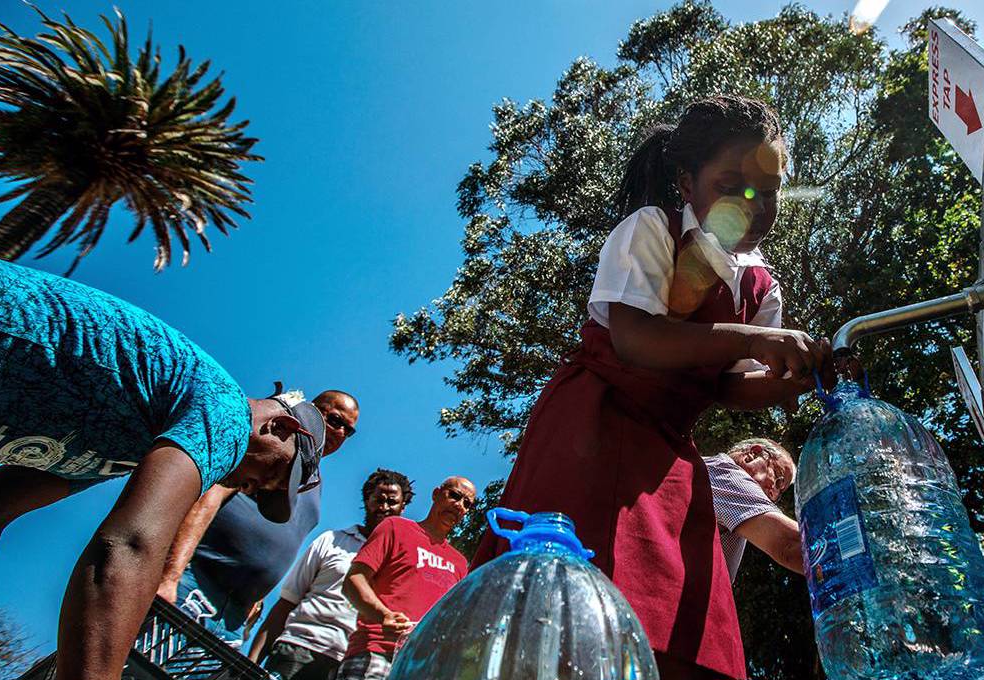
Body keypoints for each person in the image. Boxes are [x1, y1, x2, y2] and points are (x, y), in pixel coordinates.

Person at [471, 94, 830, 680]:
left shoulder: (762, 286)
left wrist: (805, 375)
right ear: (686, 183)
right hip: (592, 425)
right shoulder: (650, 230)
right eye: (730, 183)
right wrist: (752, 340)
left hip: (668, 452)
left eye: (768, 189)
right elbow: (637, 339)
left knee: (679, 612)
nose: (753, 204)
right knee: (565, 599)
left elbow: (732, 389)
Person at [0, 259, 317, 680]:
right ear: (278, 427)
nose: (253, 490)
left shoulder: (124, 437)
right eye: (271, 478)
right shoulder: (228, 412)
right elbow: (128, 547)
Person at [156, 389, 360, 646]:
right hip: (192, 584)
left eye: (348, 430)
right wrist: (169, 576)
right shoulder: (272, 445)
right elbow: (207, 500)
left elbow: (282, 545)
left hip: (233, 618)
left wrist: (257, 597)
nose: (340, 432)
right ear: (313, 411)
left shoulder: (314, 484)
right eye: (335, 420)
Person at [248, 469, 413, 680]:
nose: (384, 507)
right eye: (378, 500)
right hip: (300, 648)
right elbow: (287, 602)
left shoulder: (401, 561)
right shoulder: (332, 541)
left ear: (403, 507)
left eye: (392, 502)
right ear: (367, 500)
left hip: (352, 663)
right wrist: (251, 662)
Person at [336, 476, 475, 680]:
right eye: (454, 495)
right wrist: (383, 614)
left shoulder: (460, 564)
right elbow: (353, 580)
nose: (459, 505)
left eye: (467, 503)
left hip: (425, 667)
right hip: (377, 653)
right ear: (436, 494)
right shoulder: (395, 528)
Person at [706, 438, 803, 581]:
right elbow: (789, 543)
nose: (773, 494)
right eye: (778, 479)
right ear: (754, 453)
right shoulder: (725, 471)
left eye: (780, 492)